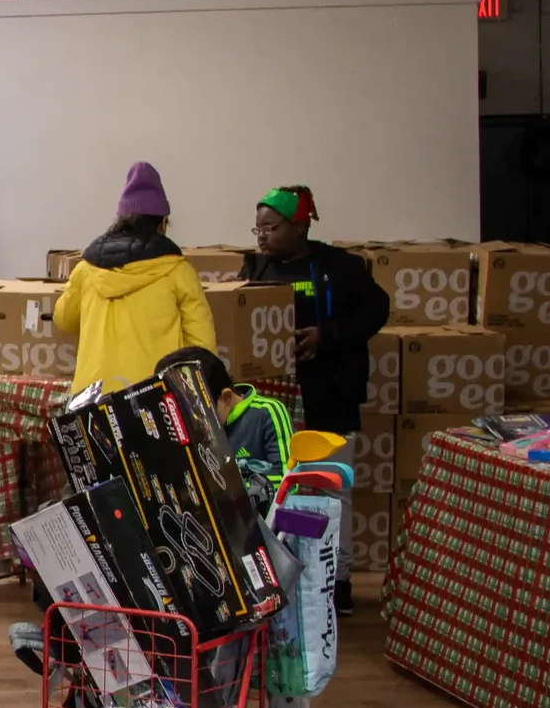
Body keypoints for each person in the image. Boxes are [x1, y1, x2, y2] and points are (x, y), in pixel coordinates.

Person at [241, 184, 388, 612]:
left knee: (332, 489)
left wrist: (328, 337)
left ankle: (337, 582)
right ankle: (275, 580)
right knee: (270, 487)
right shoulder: (253, 270)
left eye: (270, 226)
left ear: (299, 225)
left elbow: (376, 309)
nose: (261, 235)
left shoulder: (339, 267)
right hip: (273, 405)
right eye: (258, 227)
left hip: (329, 397)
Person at [53, 161, 215, 391]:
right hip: (154, 399)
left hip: (91, 399)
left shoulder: (85, 269)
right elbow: (202, 347)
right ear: (162, 223)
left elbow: (63, 318)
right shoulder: (178, 271)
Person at [157, 346, 293, 491]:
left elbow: (289, 481)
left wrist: (227, 488)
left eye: (198, 413)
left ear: (226, 399)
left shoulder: (267, 412)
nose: (192, 424)